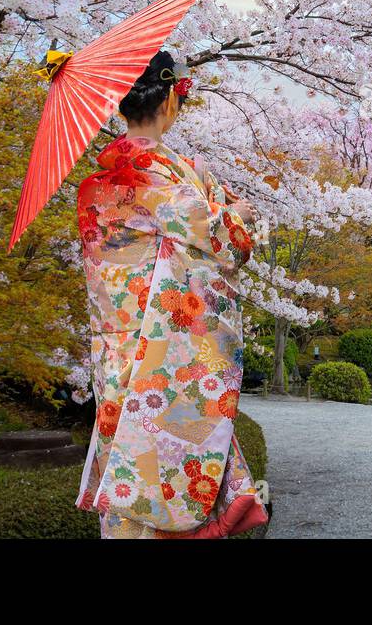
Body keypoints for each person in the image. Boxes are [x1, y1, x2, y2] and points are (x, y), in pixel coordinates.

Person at [74, 50, 268, 538]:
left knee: (129, 465)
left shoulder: (98, 183)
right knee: (163, 468)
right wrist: (238, 211)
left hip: (116, 345)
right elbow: (225, 243)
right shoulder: (158, 175)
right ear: (169, 101)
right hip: (160, 351)